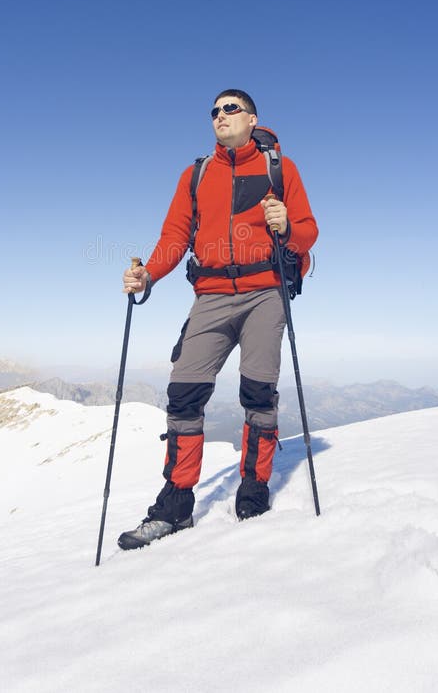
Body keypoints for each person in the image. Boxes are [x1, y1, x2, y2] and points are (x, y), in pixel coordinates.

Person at [118, 89, 318, 549]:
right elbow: (175, 235)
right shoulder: (197, 175)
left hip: (264, 292)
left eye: (231, 109)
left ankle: (253, 491)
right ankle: (176, 505)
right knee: (184, 394)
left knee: (258, 395)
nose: (220, 116)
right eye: (214, 111)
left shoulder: (280, 170)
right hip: (209, 295)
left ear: (252, 119)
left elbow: (307, 233)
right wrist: (148, 273)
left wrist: (285, 224)